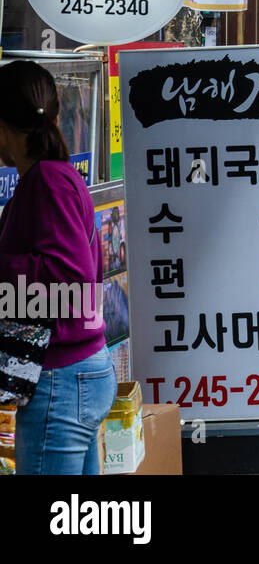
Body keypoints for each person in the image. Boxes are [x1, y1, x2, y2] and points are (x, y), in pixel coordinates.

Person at [0, 61, 115, 474]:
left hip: (62, 379)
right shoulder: (51, 177)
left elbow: (69, 279)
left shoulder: (48, 180)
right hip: (73, 374)